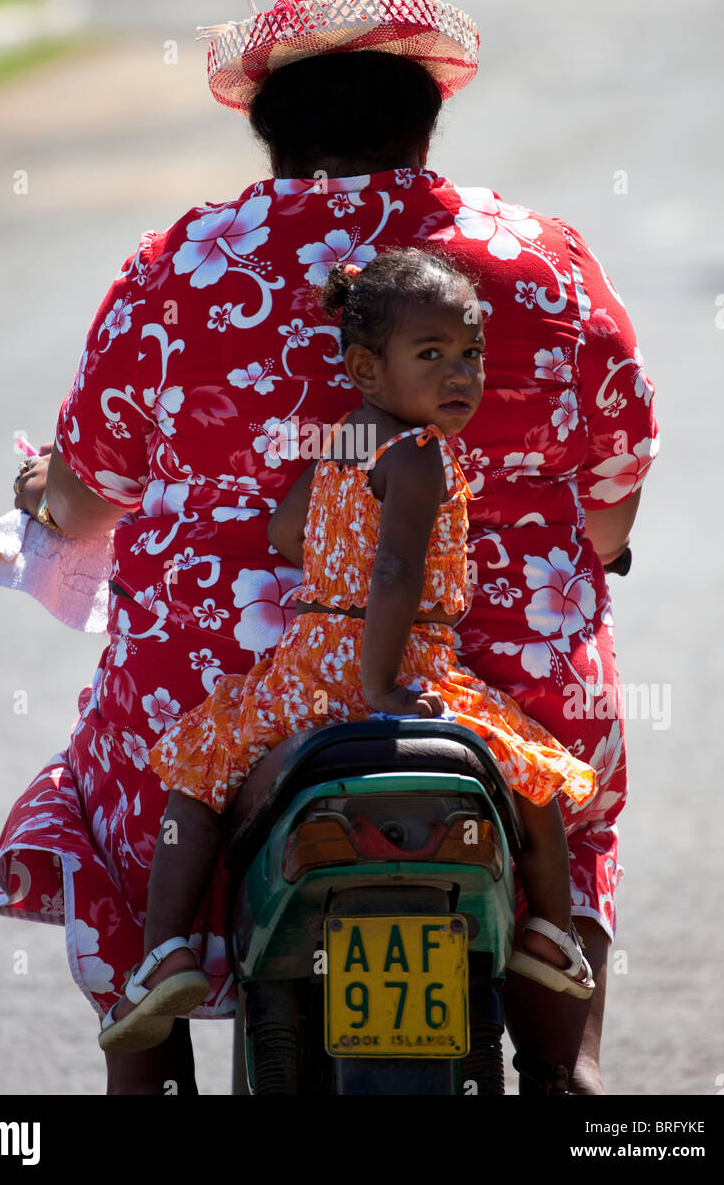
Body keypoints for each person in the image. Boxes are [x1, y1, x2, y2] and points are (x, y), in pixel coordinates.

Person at [0, 0, 659, 1095]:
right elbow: (609, 500)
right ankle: (569, 1071)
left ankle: (147, 1053)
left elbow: (87, 489)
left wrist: (39, 497)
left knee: (118, 805)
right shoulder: (539, 259)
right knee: (573, 800)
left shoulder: (179, 267)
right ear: (422, 123)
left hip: (221, 682)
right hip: (501, 678)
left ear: (272, 132)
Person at [98, 246, 600, 1054]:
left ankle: (165, 952)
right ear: (368, 368)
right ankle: (546, 927)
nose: (460, 374)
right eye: (430, 354)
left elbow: (284, 531)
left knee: (196, 776)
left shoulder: (344, 437)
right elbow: (398, 570)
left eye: (470, 353)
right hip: (399, 664)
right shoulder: (421, 456)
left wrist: (334, 571)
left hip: (305, 663)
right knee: (531, 778)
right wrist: (382, 684)